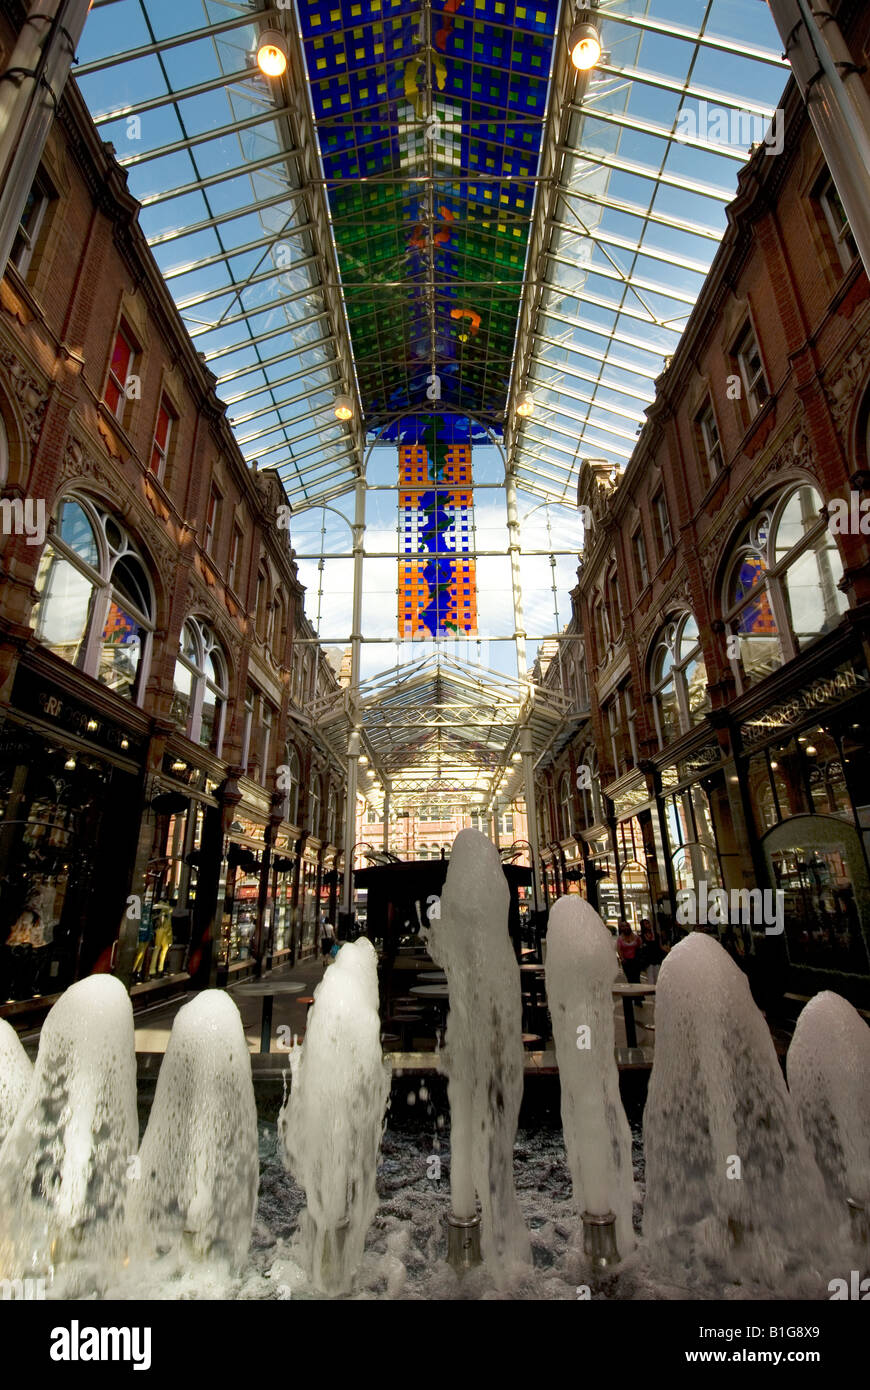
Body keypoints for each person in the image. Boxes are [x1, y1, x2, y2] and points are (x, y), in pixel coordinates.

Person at [639, 918, 665, 985]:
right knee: (650, 979)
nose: (648, 925)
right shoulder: (641, 937)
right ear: (643, 926)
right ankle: (651, 991)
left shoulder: (656, 935)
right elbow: (640, 948)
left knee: (658, 978)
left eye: (648, 923)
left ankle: (657, 991)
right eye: (646, 924)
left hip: (657, 959)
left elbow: (661, 946)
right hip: (648, 960)